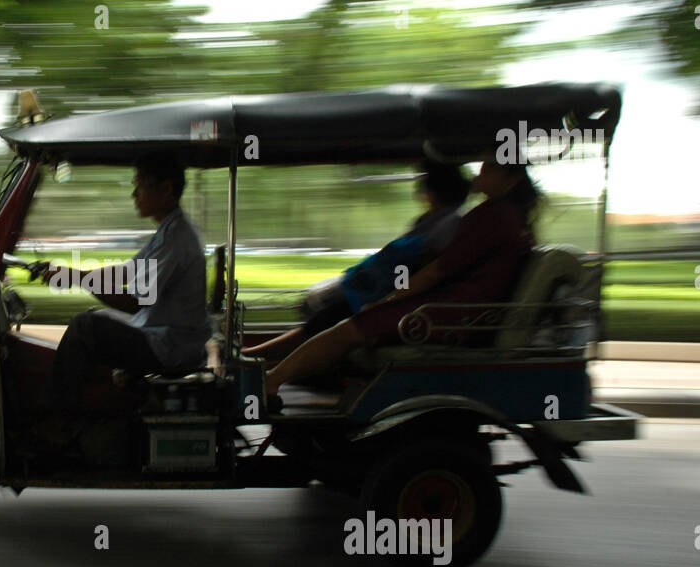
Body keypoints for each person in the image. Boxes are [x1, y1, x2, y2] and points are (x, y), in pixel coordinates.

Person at [264, 157, 539, 399]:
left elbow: (436, 271)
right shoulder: (507, 216)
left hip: (451, 313)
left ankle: (271, 381)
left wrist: (389, 301)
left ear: (511, 179)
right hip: (459, 309)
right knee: (342, 321)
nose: (479, 176)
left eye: (489, 169)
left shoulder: (490, 216)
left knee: (349, 328)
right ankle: (276, 374)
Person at [245, 159, 471, 364]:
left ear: (431, 193)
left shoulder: (448, 225)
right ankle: (259, 356)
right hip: (379, 290)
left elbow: (427, 270)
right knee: (321, 311)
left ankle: (255, 357)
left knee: (326, 319)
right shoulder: (430, 221)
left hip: (396, 300)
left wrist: (387, 299)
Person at [43, 153, 212, 413]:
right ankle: (117, 403)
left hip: (171, 347)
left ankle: (58, 420)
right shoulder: (169, 230)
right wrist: (73, 273)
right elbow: (129, 271)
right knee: (95, 317)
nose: (134, 194)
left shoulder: (175, 238)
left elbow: (135, 302)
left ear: (166, 189)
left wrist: (78, 279)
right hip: (166, 337)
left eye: (140, 184)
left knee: (85, 327)